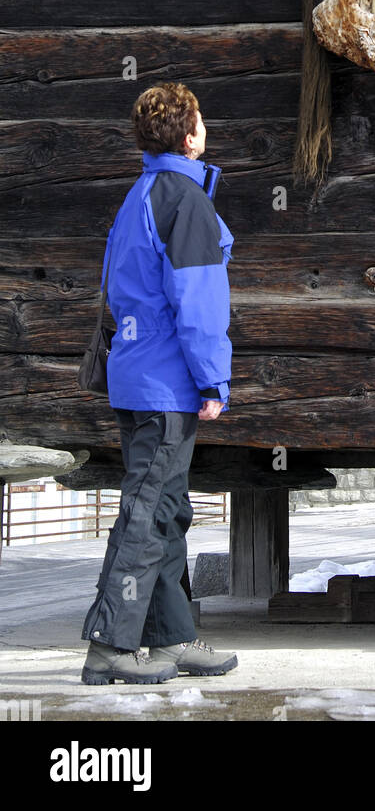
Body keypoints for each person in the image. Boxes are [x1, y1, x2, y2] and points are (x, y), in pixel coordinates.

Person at [80, 82, 238, 685]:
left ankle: (172, 638)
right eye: (201, 118)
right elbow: (197, 300)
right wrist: (213, 380)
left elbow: (118, 293)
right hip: (167, 385)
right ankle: (108, 645)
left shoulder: (140, 194)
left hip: (137, 378)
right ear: (190, 133)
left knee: (167, 509)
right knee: (145, 514)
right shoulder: (185, 199)